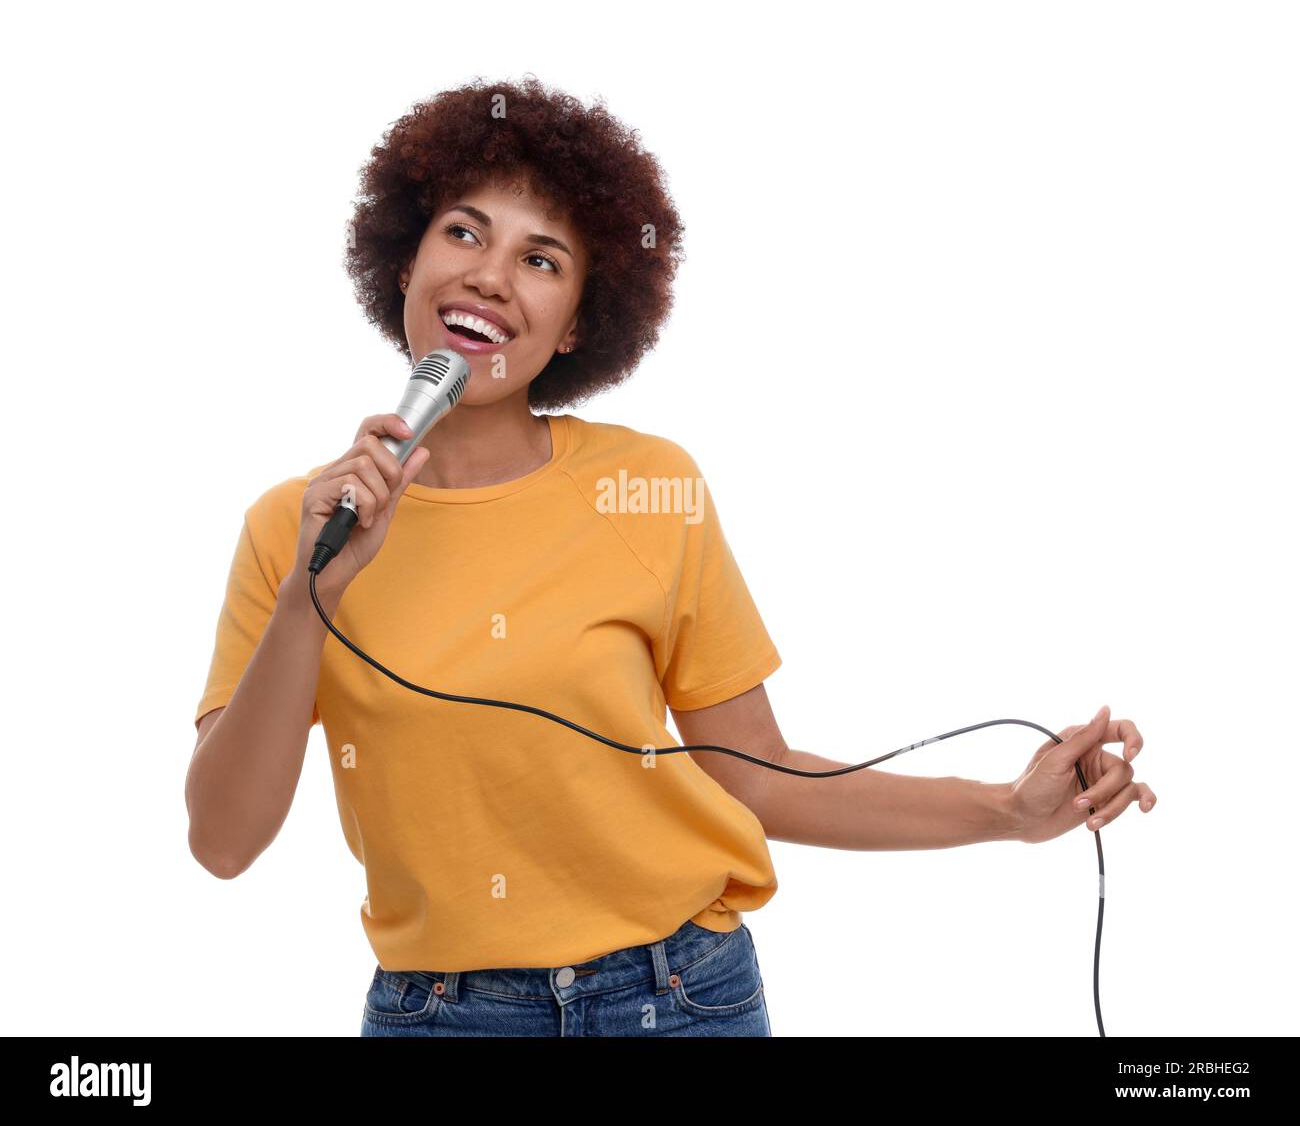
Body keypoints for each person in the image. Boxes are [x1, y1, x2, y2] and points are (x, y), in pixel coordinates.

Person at [187, 77, 1158, 1038]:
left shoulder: (645, 489)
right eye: (465, 233)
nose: (490, 276)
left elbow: (758, 775)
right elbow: (223, 843)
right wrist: (310, 598)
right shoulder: (296, 528)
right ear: (405, 262)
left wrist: (1007, 810)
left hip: (678, 998)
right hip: (440, 1015)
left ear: (577, 322)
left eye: (540, 259)